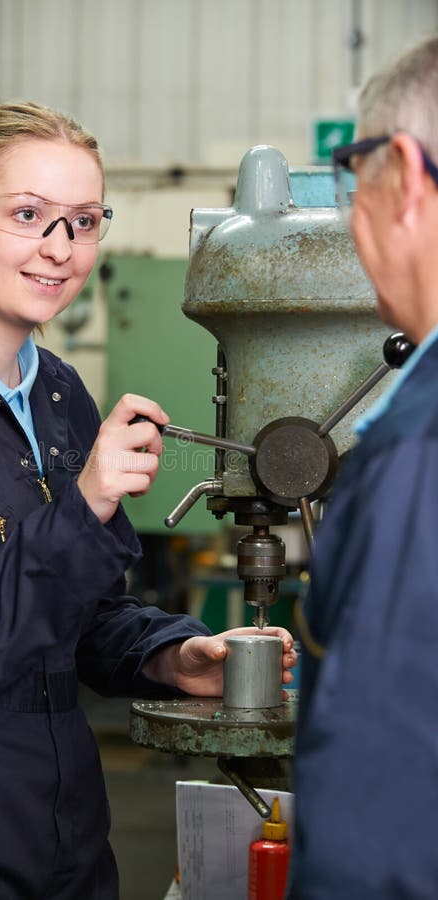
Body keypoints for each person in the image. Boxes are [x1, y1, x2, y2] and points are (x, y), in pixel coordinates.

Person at [0, 101, 296, 900]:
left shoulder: (58, 395)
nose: (60, 248)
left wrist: (170, 655)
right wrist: (82, 507)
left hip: (63, 836)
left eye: (83, 222)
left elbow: (79, 617)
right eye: (29, 215)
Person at [287, 35, 438, 899]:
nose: (351, 217)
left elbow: (380, 843)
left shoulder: (418, 453)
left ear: (406, 175)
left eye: (354, 180)